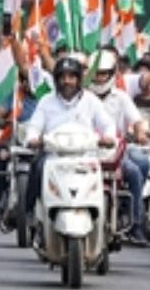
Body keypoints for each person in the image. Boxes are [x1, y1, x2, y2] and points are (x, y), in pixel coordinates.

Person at [21, 54, 117, 215]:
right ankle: (28, 211)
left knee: (102, 179)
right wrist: (32, 139)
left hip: (85, 156)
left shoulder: (91, 100)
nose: (67, 81)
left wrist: (108, 137)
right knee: (37, 167)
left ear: (79, 79)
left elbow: (107, 124)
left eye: (72, 77)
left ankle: (101, 215)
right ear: (56, 80)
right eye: (63, 77)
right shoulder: (46, 101)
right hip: (53, 156)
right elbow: (35, 127)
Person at [89, 49, 150, 245]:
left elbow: (137, 120)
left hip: (113, 153)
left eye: (103, 74)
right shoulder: (83, 97)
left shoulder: (121, 97)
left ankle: (136, 225)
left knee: (134, 171)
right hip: (86, 153)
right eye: (96, 73)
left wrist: (140, 133)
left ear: (111, 74)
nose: (99, 79)